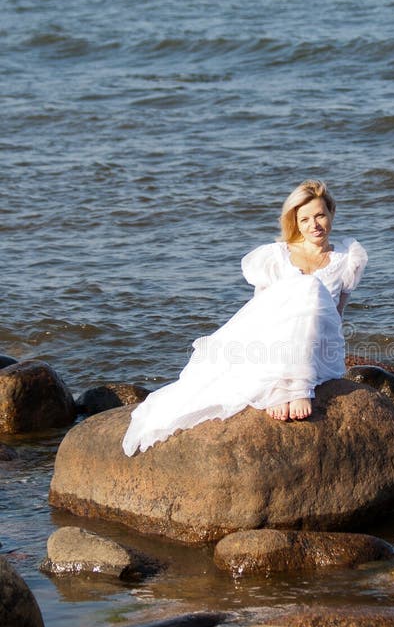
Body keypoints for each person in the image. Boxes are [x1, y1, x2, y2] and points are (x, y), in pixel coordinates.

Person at [122, 179, 367, 456]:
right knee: (303, 286)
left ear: (331, 212)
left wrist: (330, 354)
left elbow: (336, 316)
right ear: (295, 223)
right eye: (305, 219)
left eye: (320, 215)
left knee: (310, 287)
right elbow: (261, 311)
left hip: (317, 350)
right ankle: (283, 387)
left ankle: (297, 384)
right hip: (278, 345)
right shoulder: (276, 256)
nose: (315, 225)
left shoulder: (347, 258)